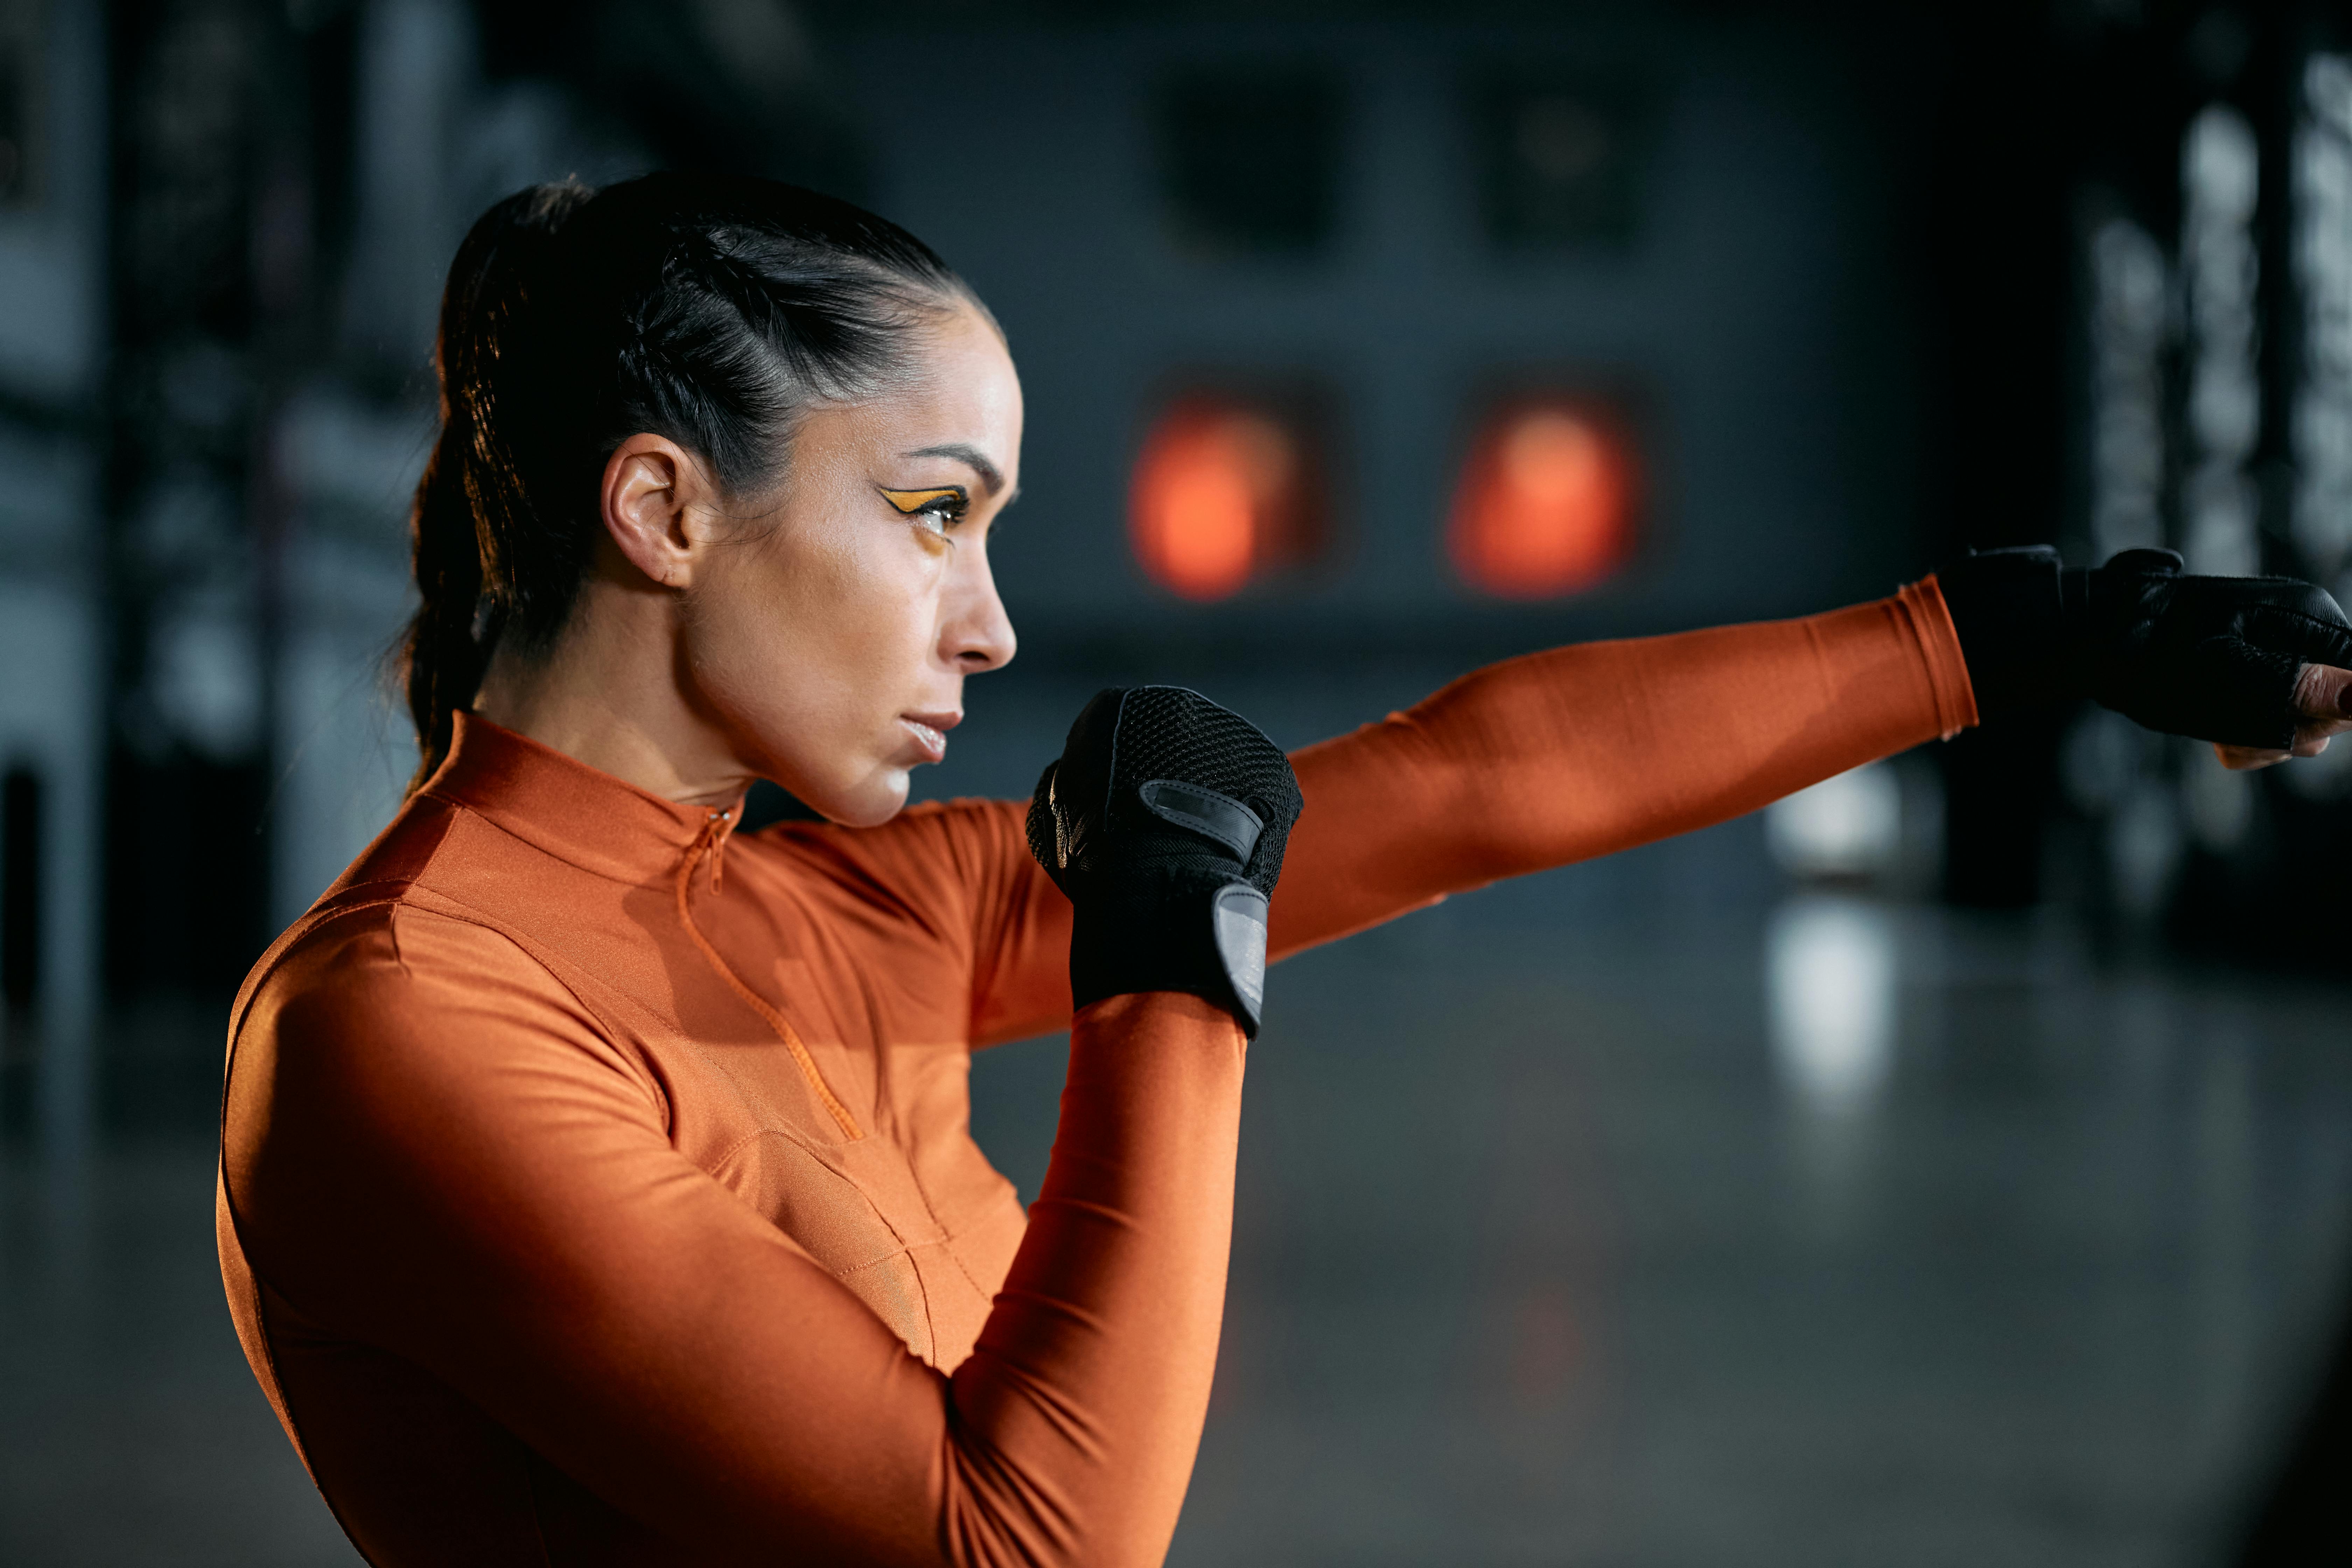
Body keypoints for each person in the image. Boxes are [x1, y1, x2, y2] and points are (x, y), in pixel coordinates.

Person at [216, 172, 2352, 1568]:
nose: (993, 627)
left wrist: (2026, 636)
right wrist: (1174, 968)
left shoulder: (824, 912)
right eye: (936, 514)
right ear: (666, 512)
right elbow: (1018, 1547)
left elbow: (1468, 784)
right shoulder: (411, 1026)